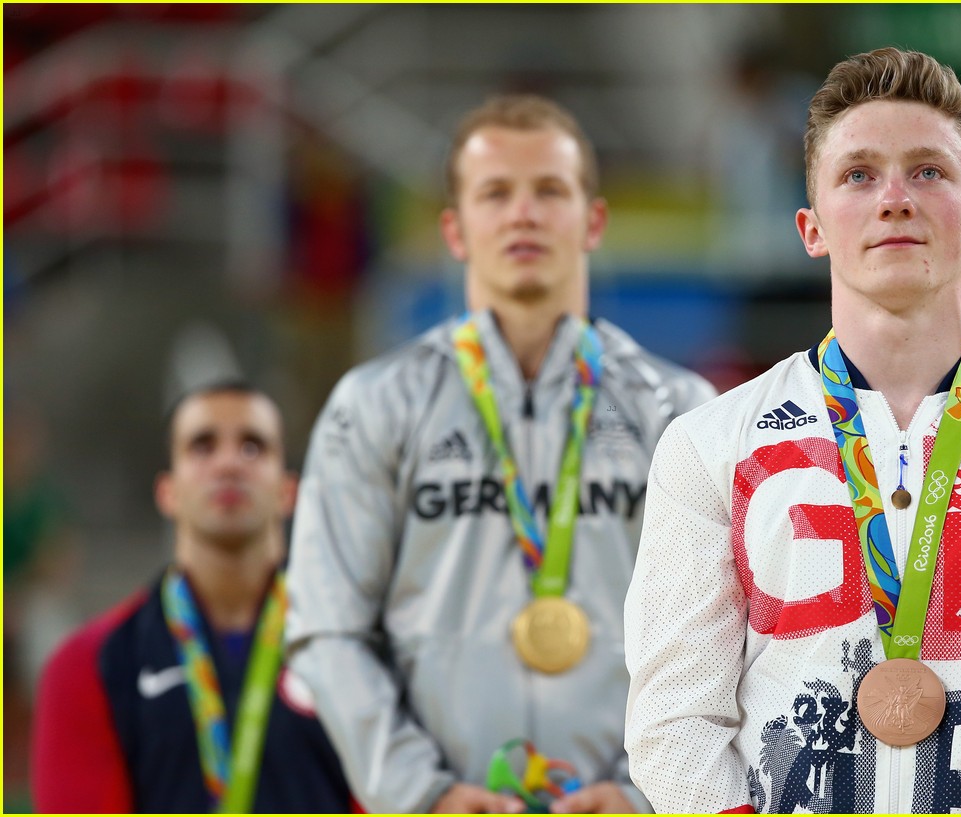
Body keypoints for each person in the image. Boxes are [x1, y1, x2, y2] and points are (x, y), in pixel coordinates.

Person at [624, 48, 961, 814]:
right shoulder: (708, 446)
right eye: (858, 174)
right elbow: (672, 719)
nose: (894, 199)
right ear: (811, 228)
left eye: (929, 171)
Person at [284, 93, 717, 814]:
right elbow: (328, 625)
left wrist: (646, 791)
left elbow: (715, 632)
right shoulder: (374, 405)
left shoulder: (679, 410)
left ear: (594, 220)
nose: (524, 213)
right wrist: (421, 793)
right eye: (496, 193)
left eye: (550, 190)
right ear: (454, 230)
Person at [31, 381, 354, 812]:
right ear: (168, 492)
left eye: (253, 446)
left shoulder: (356, 650)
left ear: (288, 492)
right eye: (202, 446)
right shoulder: (87, 665)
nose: (228, 463)